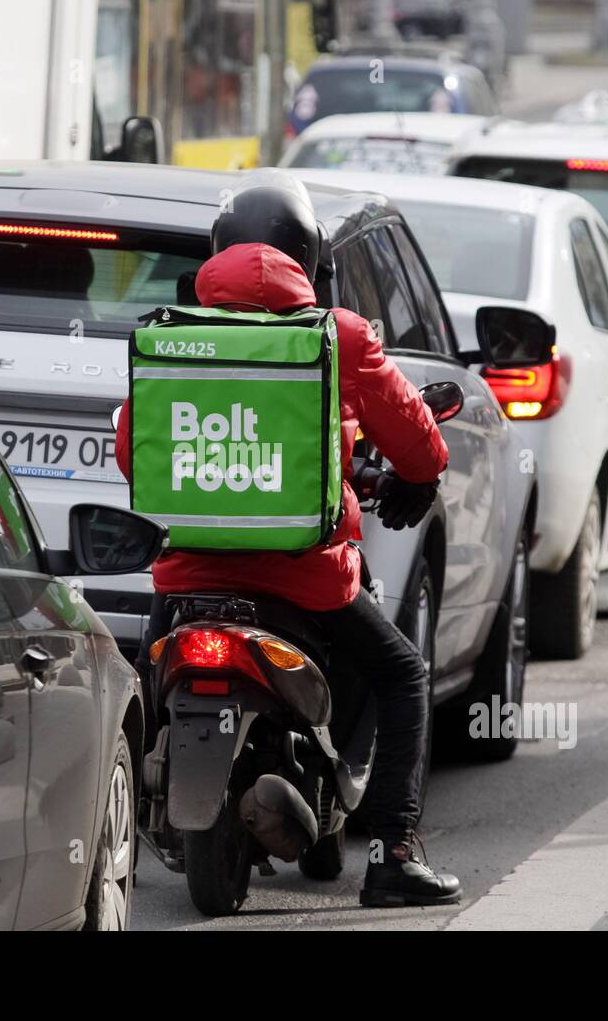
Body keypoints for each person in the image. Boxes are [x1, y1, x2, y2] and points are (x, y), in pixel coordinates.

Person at [115, 179, 460, 908]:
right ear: (309, 255)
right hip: (309, 584)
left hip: (189, 582)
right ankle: (394, 856)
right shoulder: (339, 334)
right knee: (404, 677)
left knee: (139, 686)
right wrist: (416, 474)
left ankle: (138, 824)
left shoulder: (174, 332)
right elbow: (418, 443)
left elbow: (131, 451)